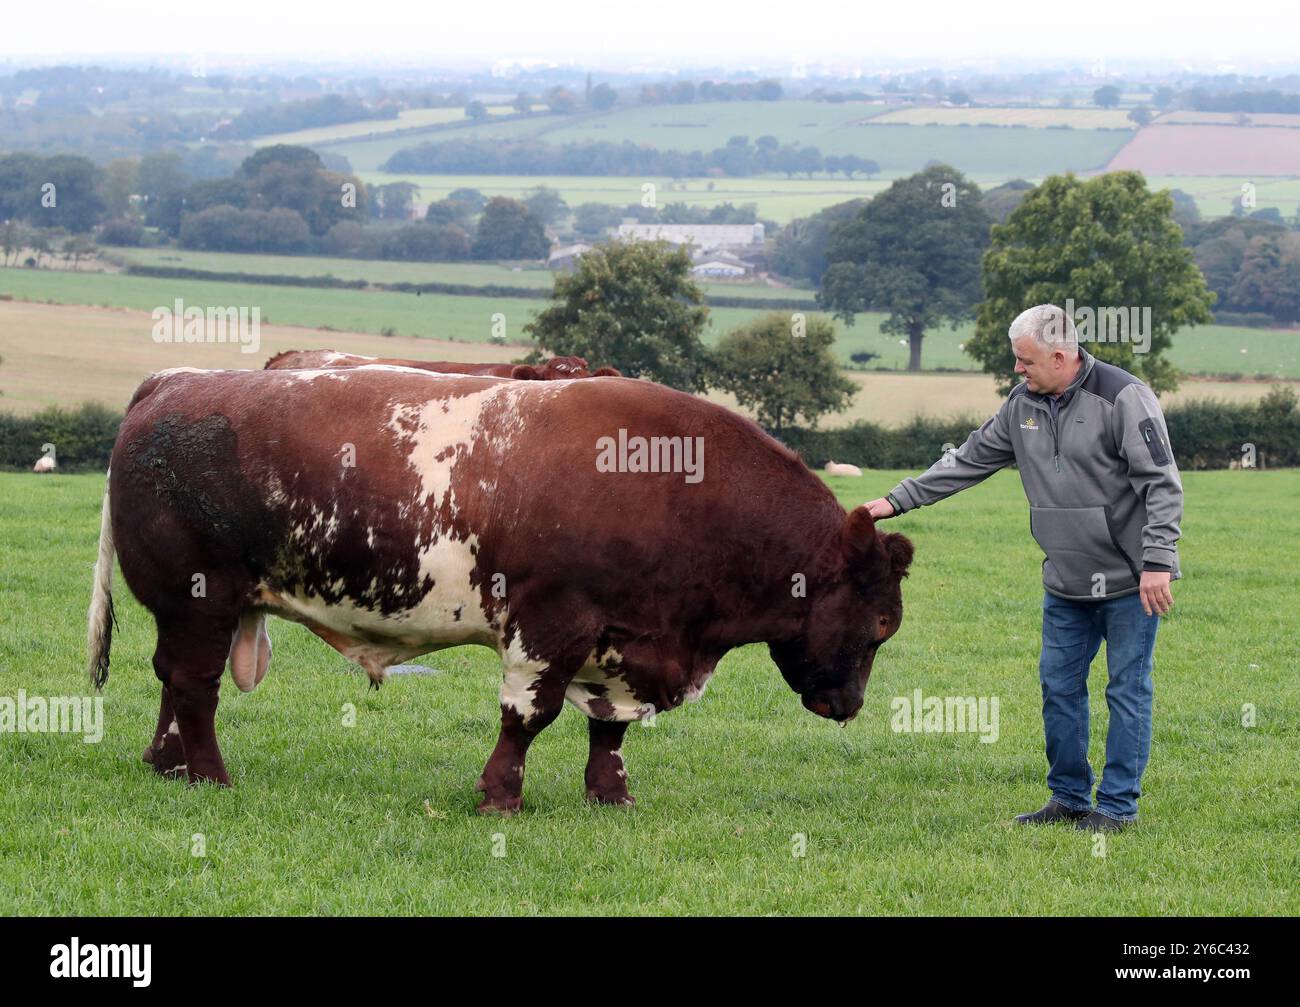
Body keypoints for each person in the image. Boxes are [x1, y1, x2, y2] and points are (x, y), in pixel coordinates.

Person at [863, 304, 1182, 832]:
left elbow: (1162, 483)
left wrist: (1158, 561)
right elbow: (966, 461)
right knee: (1058, 688)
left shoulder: (1124, 397)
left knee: (1126, 690)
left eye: (1025, 360)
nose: (1018, 370)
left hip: (1129, 581)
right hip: (1064, 581)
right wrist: (893, 502)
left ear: (1061, 356)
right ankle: (1070, 798)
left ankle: (1118, 807)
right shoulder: (1021, 406)